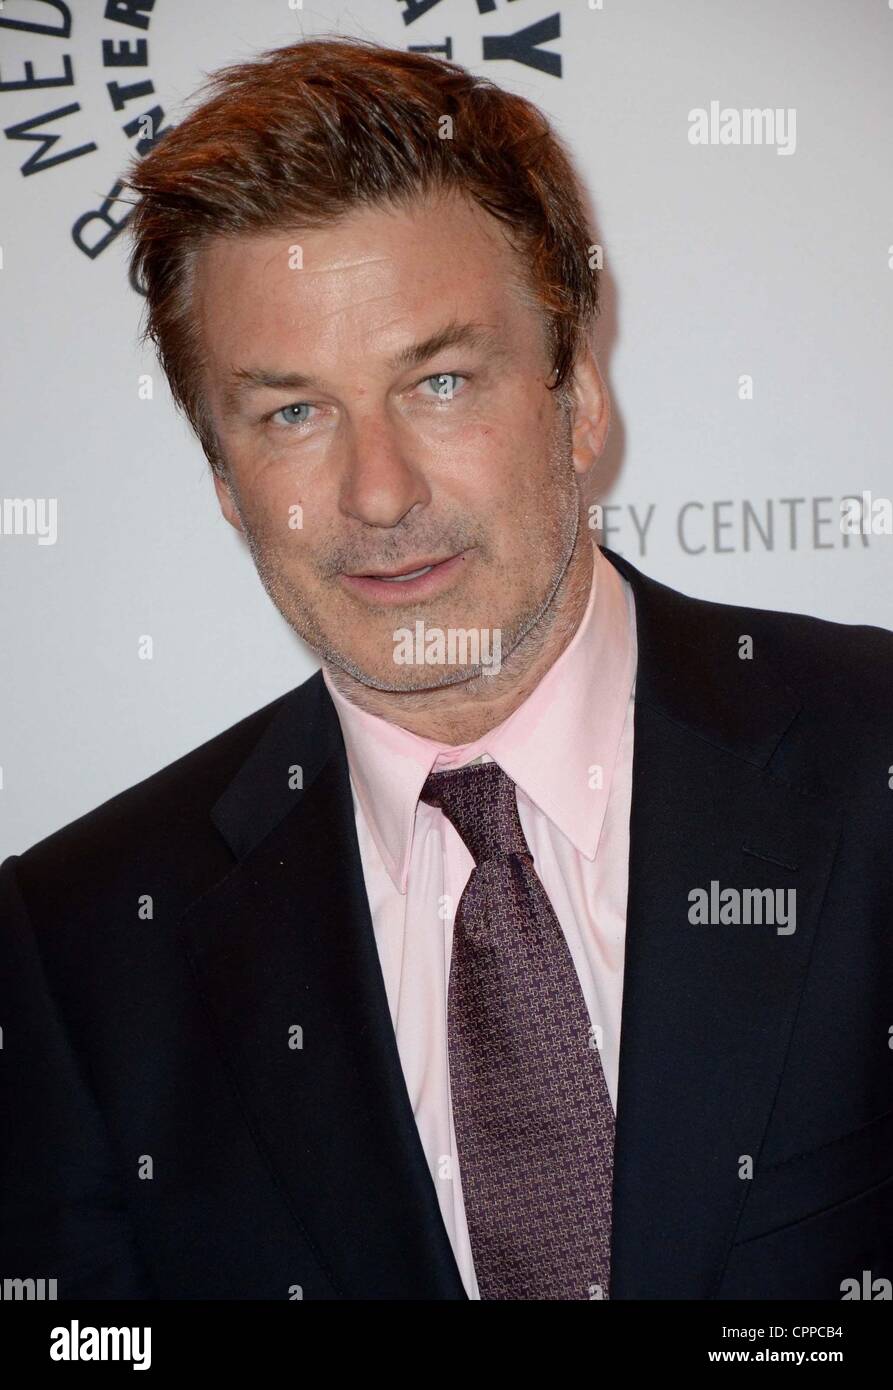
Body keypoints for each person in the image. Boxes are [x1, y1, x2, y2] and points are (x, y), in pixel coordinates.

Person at [2, 35, 891, 1302]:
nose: (378, 493)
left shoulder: (870, 762)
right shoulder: (81, 948)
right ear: (221, 483)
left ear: (577, 397)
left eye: (439, 380)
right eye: (292, 412)